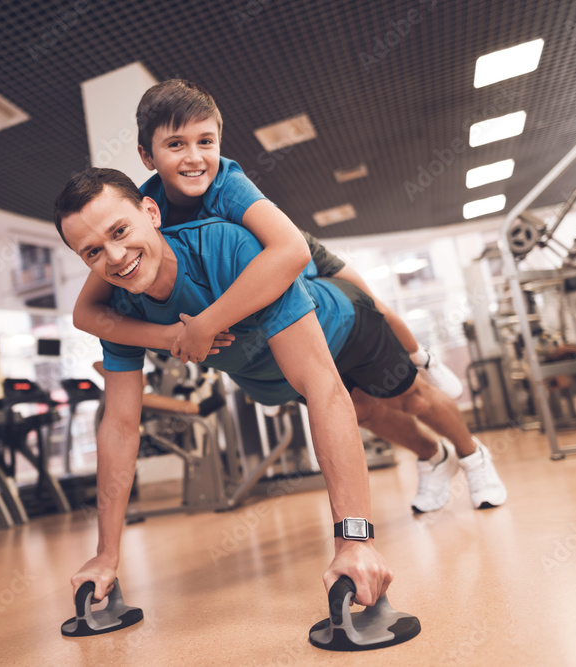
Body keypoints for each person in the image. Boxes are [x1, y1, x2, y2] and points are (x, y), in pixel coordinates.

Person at [74, 79, 477, 512]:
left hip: (299, 262)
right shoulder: (140, 213)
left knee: (373, 304)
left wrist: (207, 323)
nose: (193, 157)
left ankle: (426, 365)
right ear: (147, 157)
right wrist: (169, 336)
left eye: (205, 141)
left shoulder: (227, 183)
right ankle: (434, 458)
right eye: (175, 145)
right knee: (361, 409)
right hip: (278, 308)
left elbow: (290, 250)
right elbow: (86, 312)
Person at [56, 168, 393, 608]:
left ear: (151, 212)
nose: (115, 257)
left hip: (343, 321)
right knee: (375, 413)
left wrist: (356, 540)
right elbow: (120, 426)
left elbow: (323, 387)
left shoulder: (227, 246)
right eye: (93, 252)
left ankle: (462, 450)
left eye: (120, 231)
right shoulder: (118, 309)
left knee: (410, 400)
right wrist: (106, 554)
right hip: (270, 378)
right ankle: (440, 455)